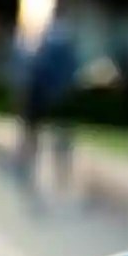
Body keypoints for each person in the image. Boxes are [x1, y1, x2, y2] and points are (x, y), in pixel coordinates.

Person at [14, 16, 79, 199]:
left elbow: (35, 69)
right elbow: (71, 68)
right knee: (53, 133)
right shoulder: (62, 44)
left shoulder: (47, 45)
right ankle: (58, 170)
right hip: (55, 93)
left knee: (35, 132)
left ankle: (33, 163)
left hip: (45, 92)